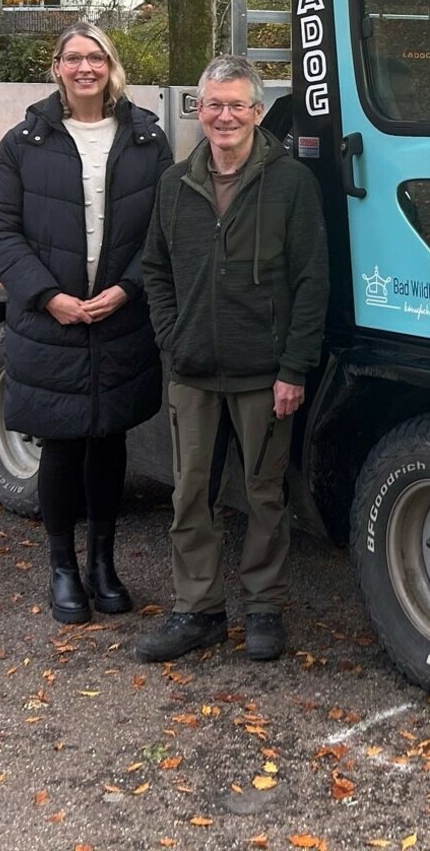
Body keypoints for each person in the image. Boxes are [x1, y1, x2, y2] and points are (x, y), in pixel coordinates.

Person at [0, 21, 172, 624]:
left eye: (95, 58)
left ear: (111, 66)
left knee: (109, 442)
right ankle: (63, 568)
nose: (84, 68)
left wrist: (125, 289)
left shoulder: (145, 138)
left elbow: (164, 231)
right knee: (61, 445)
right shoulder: (26, 141)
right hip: (51, 321)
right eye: (73, 58)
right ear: (57, 67)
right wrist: (46, 296)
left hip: (118, 315)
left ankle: (103, 564)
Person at [135, 55, 327, 663]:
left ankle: (264, 608)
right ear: (198, 111)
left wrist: (293, 369)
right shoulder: (174, 185)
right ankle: (199, 612)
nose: (224, 116)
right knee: (190, 495)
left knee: (264, 495)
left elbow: (311, 283)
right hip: (191, 372)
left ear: (258, 113)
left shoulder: (291, 183)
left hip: (263, 374)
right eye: (213, 105)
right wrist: (171, 336)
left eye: (236, 105)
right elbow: (155, 270)